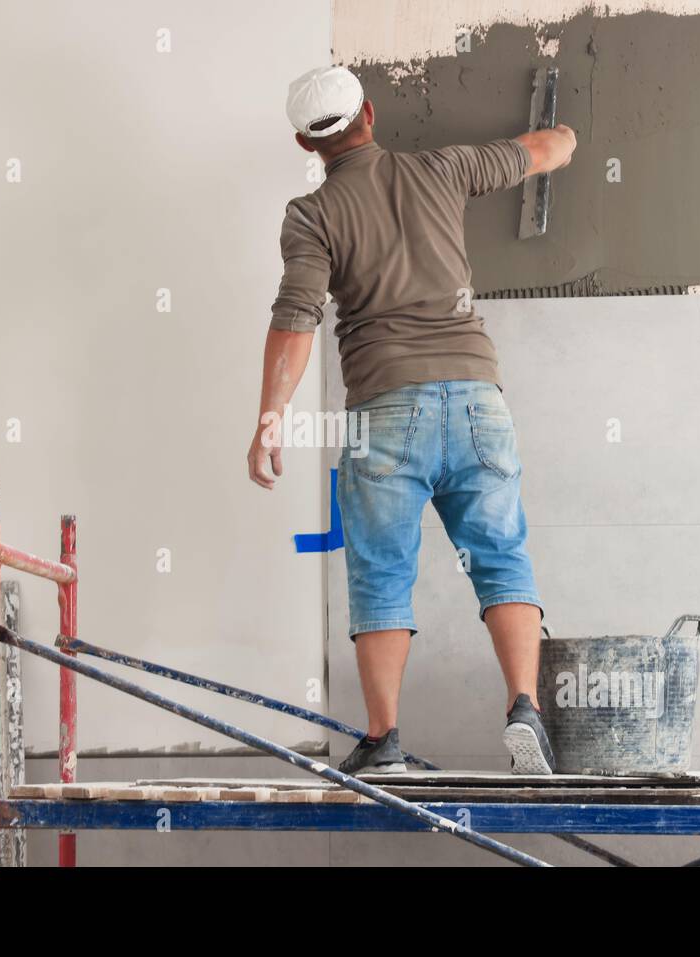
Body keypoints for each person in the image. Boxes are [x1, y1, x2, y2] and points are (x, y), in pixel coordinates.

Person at [247, 65, 577, 775]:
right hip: (477, 398)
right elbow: (544, 148)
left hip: (385, 411)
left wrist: (271, 415)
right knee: (501, 557)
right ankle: (526, 708)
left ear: (307, 143)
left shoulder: (311, 216)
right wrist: (566, 136)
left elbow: (296, 316)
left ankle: (385, 738)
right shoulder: (444, 168)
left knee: (381, 575)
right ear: (371, 113)